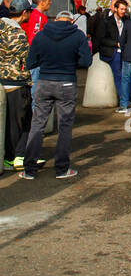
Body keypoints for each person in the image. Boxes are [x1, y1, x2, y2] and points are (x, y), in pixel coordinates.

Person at [21, 10, 92, 180]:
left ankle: (30, 169)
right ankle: (61, 169)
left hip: (44, 82)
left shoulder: (41, 35)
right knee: (65, 126)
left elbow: (30, 62)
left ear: (55, 19)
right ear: (71, 20)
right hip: (67, 82)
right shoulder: (78, 36)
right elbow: (86, 61)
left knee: (37, 124)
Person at [1, 0, 34, 172]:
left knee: (6, 123)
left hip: (2, 82)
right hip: (17, 81)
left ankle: (7, 157)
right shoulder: (18, 33)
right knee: (23, 122)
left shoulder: (1, 26)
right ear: (24, 13)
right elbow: (27, 58)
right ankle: (17, 157)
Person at [94, 0, 129, 100]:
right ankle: (123, 99)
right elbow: (101, 39)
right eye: (121, 9)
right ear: (115, 9)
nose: (123, 11)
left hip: (124, 52)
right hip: (113, 52)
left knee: (128, 75)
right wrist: (116, 44)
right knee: (118, 75)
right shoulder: (106, 22)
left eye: (125, 9)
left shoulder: (126, 21)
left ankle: (124, 97)